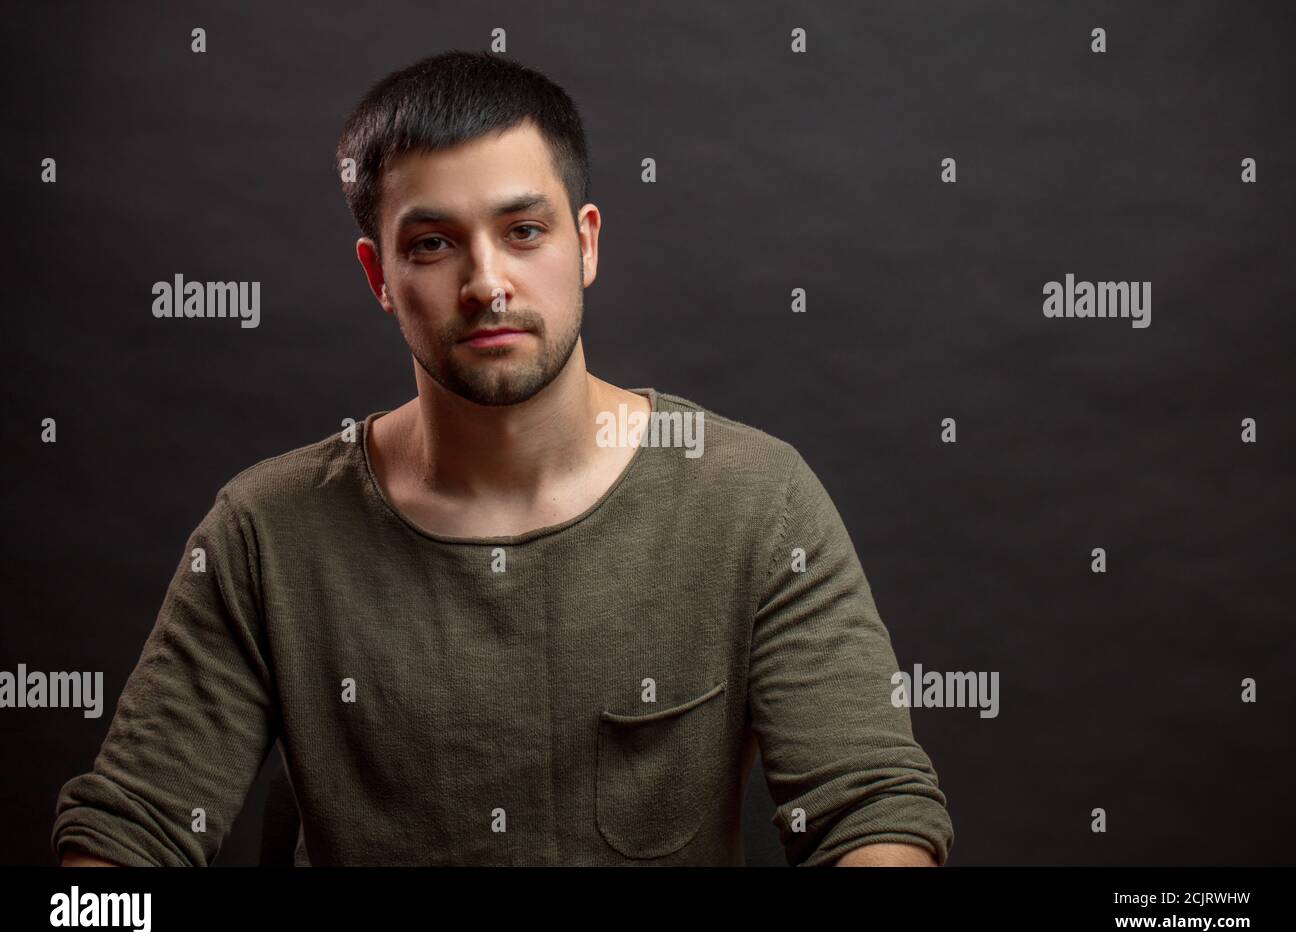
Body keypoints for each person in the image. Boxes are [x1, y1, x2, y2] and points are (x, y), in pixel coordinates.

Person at [54, 50, 953, 867]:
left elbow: (869, 812)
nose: (487, 284)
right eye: (433, 244)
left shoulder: (755, 500)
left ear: (586, 243)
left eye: (523, 231)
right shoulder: (265, 533)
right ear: (378, 276)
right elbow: (131, 832)